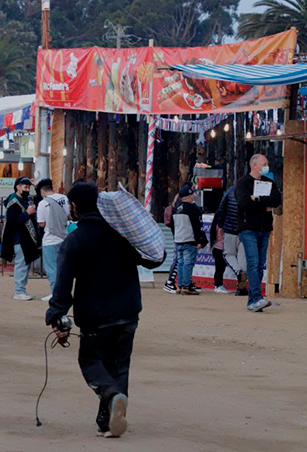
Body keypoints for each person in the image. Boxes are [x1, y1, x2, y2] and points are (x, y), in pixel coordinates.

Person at [46, 181, 164, 439]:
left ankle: (112, 397)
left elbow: (63, 285)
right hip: (128, 311)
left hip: (95, 315)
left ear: (74, 206)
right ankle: (108, 422)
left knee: (90, 361)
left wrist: (56, 314)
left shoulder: (74, 241)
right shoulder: (121, 234)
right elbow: (149, 258)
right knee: (119, 365)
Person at [236, 154, 282, 312]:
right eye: (264, 164)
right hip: (248, 228)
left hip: (264, 228)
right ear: (254, 165)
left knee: (260, 264)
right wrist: (264, 205)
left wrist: (257, 199)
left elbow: (276, 200)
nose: (266, 166)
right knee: (254, 262)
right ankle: (256, 297)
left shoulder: (269, 182)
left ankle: (253, 301)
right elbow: (243, 202)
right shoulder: (243, 183)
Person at [1, 177, 40, 301]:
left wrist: (37, 186)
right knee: (21, 265)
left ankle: (21, 290)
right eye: (25, 187)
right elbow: (12, 221)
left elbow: (39, 200)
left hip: (26, 239)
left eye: (29, 187)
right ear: (18, 187)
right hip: (19, 239)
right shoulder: (14, 202)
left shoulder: (26, 199)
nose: (27, 189)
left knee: (25, 265)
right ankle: (19, 291)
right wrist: (26, 214)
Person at [35, 178, 70, 302]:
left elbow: (41, 223)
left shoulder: (43, 203)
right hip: (65, 237)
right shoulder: (64, 198)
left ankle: (55, 293)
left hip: (50, 239)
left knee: (51, 268)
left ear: (41, 191)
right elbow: (69, 215)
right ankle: (64, 292)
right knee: (63, 268)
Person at [172, 185, 207, 295]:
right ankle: (186, 286)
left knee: (180, 263)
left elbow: (172, 225)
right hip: (189, 239)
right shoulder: (193, 209)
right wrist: (199, 240)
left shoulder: (176, 208)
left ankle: (180, 285)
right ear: (189, 196)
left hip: (178, 239)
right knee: (188, 263)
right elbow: (196, 226)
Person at [214, 186, 248, 296]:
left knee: (229, 254)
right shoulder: (251, 190)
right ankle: (242, 285)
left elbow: (221, 209)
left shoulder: (229, 192)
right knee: (243, 258)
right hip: (245, 230)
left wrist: (220, 225)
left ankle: (239, 273)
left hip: (229, 229)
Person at [209, 222, 232, 294]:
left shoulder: (215, 225)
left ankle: (218, 285)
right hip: (220, 249)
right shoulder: (221, 226)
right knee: (220, 268)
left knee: (220, 268)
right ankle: (218, 285)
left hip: (217, 248)